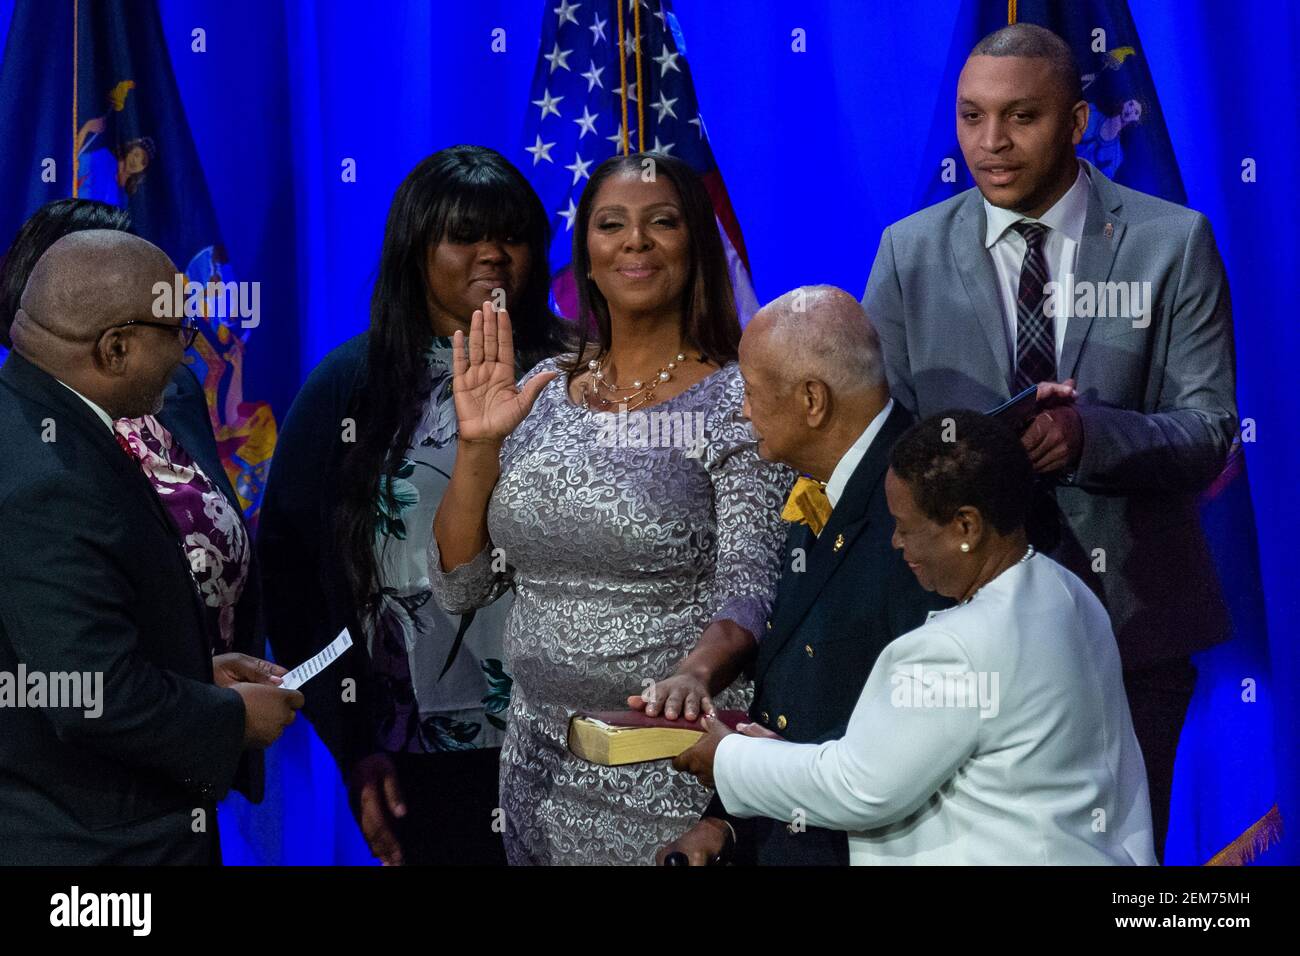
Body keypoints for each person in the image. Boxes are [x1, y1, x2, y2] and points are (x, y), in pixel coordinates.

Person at [862, 23, 1236, 858]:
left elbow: (1210, 431)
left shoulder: (1171, 243)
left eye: (1020, 117)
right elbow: (886, 447)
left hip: (1130, 630)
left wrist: (1087, 438)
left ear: (1075, 122)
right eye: (971, 116)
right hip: (959, 633)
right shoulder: (908, 253)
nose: (989, 144)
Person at [430, 152, 792, 865]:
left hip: (669, 765)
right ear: (586, 258)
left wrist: (695, 675)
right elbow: (460, 584)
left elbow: (752, 589)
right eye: (611, 224)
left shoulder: (736, 401)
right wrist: (478, 446)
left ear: (697, 249)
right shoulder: (537, 391)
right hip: (537, 766)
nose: (635, 240)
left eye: (662, 222)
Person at [259, 146, 565, 865]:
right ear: (414, 250)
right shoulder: (348, 386)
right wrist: (351, 741)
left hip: (580, 740)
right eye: (464, 235)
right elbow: (293, 575)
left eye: (512, 235)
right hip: (418, 754)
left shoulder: (577, 376)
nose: (492, 253)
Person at [678, 411, 1157, 866]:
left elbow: (859, 788)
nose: (896, 543)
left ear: (965, 527)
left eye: (906, 527)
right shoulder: (1068, 592)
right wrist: (772, 755)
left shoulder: (954, 649)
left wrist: (728, 757)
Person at [0, 230, 301, 864]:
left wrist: (193, 674)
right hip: (98, 855)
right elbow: (89, 693)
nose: (188, 354)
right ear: (115, 349)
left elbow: (69, 645)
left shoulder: (40, 416)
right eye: (179, 333)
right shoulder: (51, 480)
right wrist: (232, 721)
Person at [657, 286, 949, 866]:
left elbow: (910, 751)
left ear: (812, 400)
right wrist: (723, 819)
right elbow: (795, 682)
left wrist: (736, 765)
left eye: (751, 393)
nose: (743, 411)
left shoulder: (922, 512)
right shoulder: (820, 484)